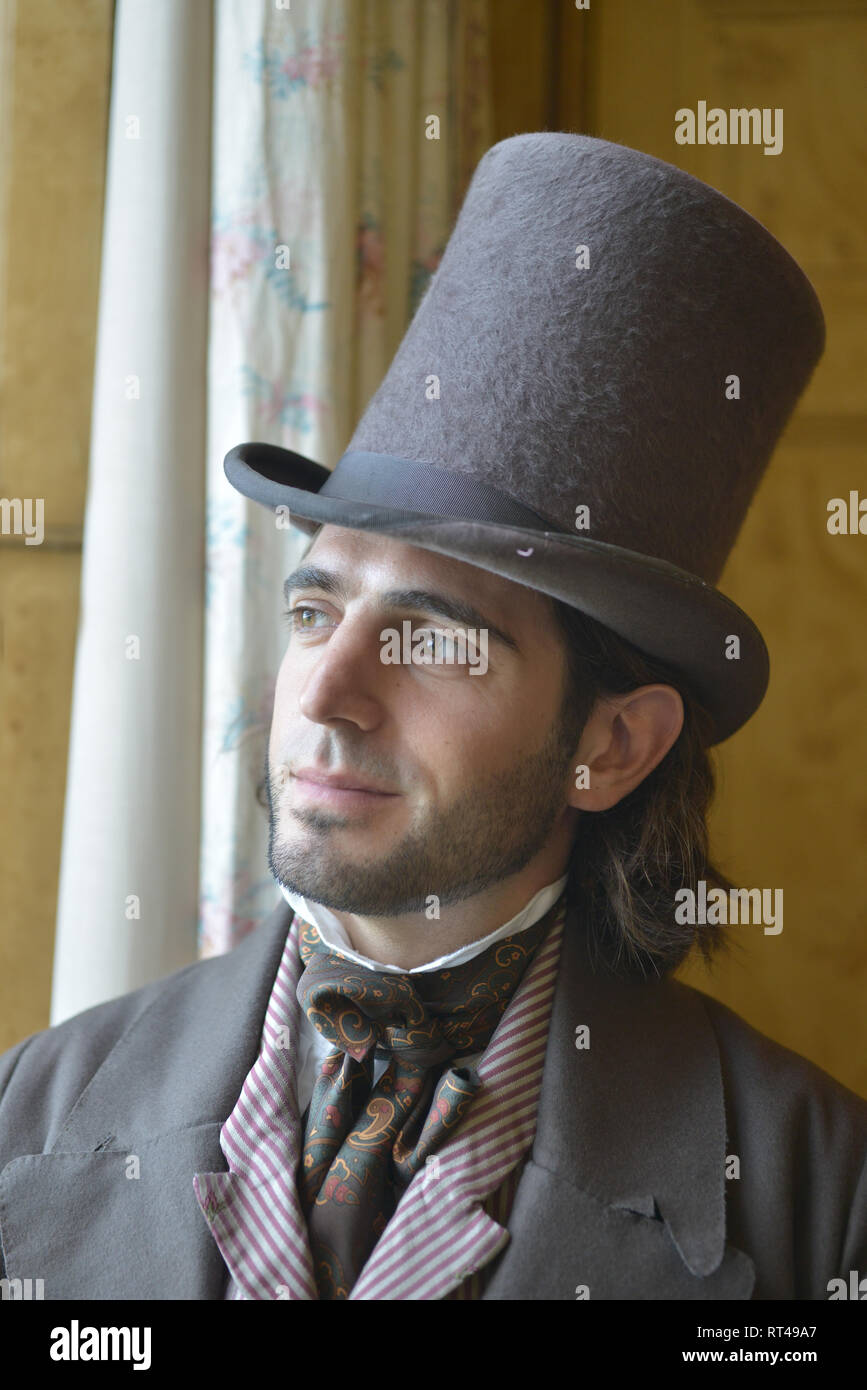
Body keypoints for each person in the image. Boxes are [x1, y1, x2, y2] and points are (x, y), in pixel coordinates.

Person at [1, 132, 865, 1301]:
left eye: (432, 640)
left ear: (612, 746)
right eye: (314, 612)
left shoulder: (823, 1196)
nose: (321, 693)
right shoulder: (26, 1110)